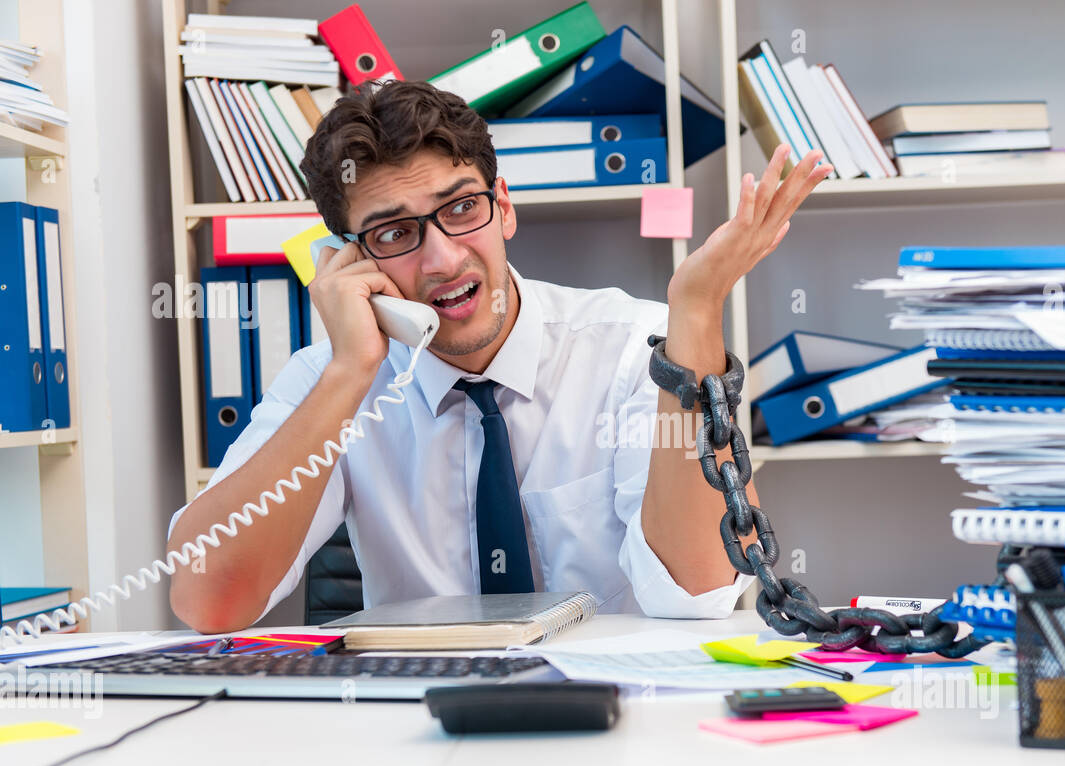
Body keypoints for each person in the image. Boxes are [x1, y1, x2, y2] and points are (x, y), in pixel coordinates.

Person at [167, 81, 829, 633]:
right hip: (415, 729)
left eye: (460, 208)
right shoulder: (330, 380)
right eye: (394, 232)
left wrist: (696, 314)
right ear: (349, 261)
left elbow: (697, 591)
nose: (443, 258)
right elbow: (208, 601)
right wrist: (347, 376)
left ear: (503, 208)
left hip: (621, 724)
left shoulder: (636, 348)